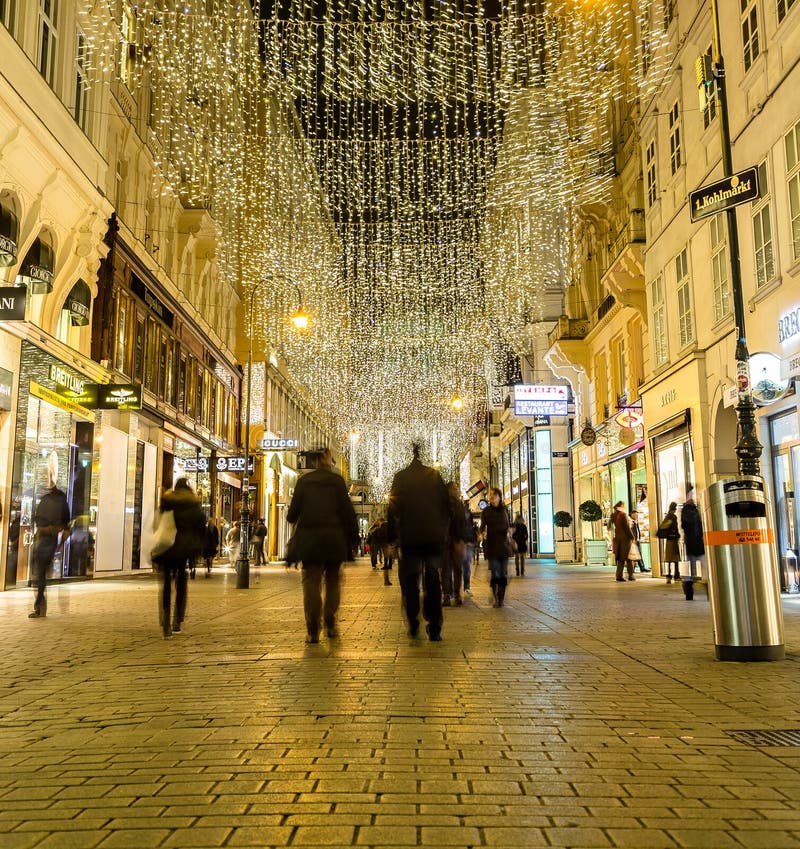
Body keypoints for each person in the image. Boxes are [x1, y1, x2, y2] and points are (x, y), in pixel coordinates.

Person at [286, 447, 359, 644]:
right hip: (334, 540)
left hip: (310, 540)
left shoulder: (304, 481)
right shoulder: (337, 482)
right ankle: (330, 621)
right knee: (333, 580)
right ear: (325, 459)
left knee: (311, 581)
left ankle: (312, 629)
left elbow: (291, 515)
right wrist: (354, 538)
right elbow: (348, 513)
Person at [388, 443, 452, 640]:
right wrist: (443, 530)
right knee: (433, 580)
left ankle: (413, 620)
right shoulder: (434, 476)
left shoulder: (401, 477)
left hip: (410, 538)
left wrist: (392, 539)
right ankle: (434, 627)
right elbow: (447, 506)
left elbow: (392, 509)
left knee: (410, 580)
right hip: (433, 538)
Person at [153, 478, 205, 638]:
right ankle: (177, 621)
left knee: (166, 584)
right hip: (184, 548)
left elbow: (157, 523)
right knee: (181, 582)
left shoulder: (167, 500)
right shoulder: (193, 503)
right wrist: (198, 548)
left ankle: (166, 622)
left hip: (167, 546)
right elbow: (201, 526)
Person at [28, 478, 70, 619]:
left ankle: (40, 608)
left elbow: (65, 523)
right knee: (39, 574)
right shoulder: (55, 501)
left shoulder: (56, 501)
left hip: (47, 537)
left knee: (39, 573)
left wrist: (61, 531)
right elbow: (66, 523)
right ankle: (40, 607)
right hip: (45, 537)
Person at [480, 487, 512, 607]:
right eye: (490, 496)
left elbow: (509, 524)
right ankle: (495, 596)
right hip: (492, 546)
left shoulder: (505, 510)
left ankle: (501, 598)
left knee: (503, 573)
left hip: (504, 546)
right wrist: (482, 533)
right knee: (495, 573)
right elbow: (482, 526)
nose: (491, 497)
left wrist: (510, 530)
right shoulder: (486, 511)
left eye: (494, 495)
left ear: (499, 497)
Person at [443, 482, 468, 606]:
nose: (457, 490)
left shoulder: (459, 504)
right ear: (449, 490)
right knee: (447, 569)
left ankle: (456, 594)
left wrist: (463, 540)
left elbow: (463, 524)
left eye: (458, 488)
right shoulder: (446, 504)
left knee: (457, 569)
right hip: (448, 541)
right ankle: (448, 595)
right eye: (454, 488)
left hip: (455, 541)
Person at [680, 489, 705, 600]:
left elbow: (699, 526)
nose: (693, 496)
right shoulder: (687, 511)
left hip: (697, 542)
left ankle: (690, 584)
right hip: (691, 542)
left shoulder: (695, 509)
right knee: (693, 567)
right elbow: (686, 525)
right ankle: (688, 586)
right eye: (691, 494)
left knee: (700, 566)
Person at [656, 502, 681, 583]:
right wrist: (677, 535)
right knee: (675, 558)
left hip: (669, 540)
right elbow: (675, 528)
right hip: (673, 540)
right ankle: (676, 575)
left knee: (669, 559)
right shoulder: (673, 517)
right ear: (674, 509)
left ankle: (669, 575)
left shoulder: (667, 517)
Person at [612, 500, 635, 582]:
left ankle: (619, 575)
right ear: (621, 506)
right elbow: (627, 528)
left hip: (618, 538)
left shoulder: (614, 515)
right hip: (625, 539)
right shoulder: (623, 515)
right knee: (629, 558)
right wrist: (632, 537)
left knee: (621, 559)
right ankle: (631, 575)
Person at [462, 502, 477, 596]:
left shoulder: (470, 516)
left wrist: (472, 540)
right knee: (464, 566)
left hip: (467, 543)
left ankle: (466, 587)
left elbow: (471, 529)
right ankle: (464, 587)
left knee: (466, 565)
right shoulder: (458, 515)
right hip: (461, 542)